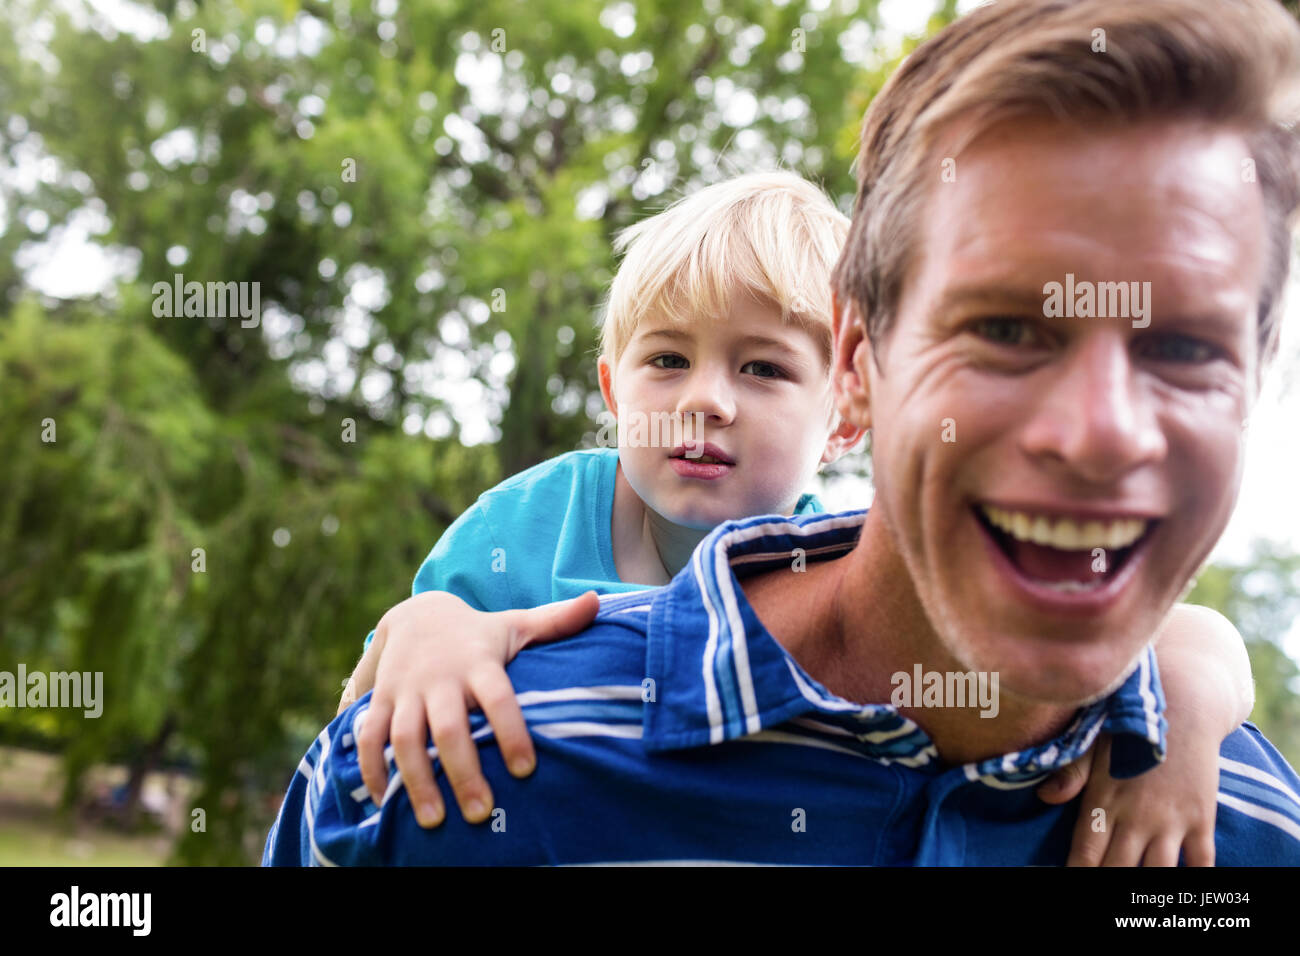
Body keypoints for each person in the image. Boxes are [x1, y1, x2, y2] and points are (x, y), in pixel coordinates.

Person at [265, 0, 1300, 864]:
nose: (1100, 434)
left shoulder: (1234, 827)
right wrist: (427, 633)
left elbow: (1189, 641)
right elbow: (403, 669)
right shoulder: (459, 771)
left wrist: (1191, 690)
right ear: (863, 360)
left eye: (1182, 347)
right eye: (1004, 328)